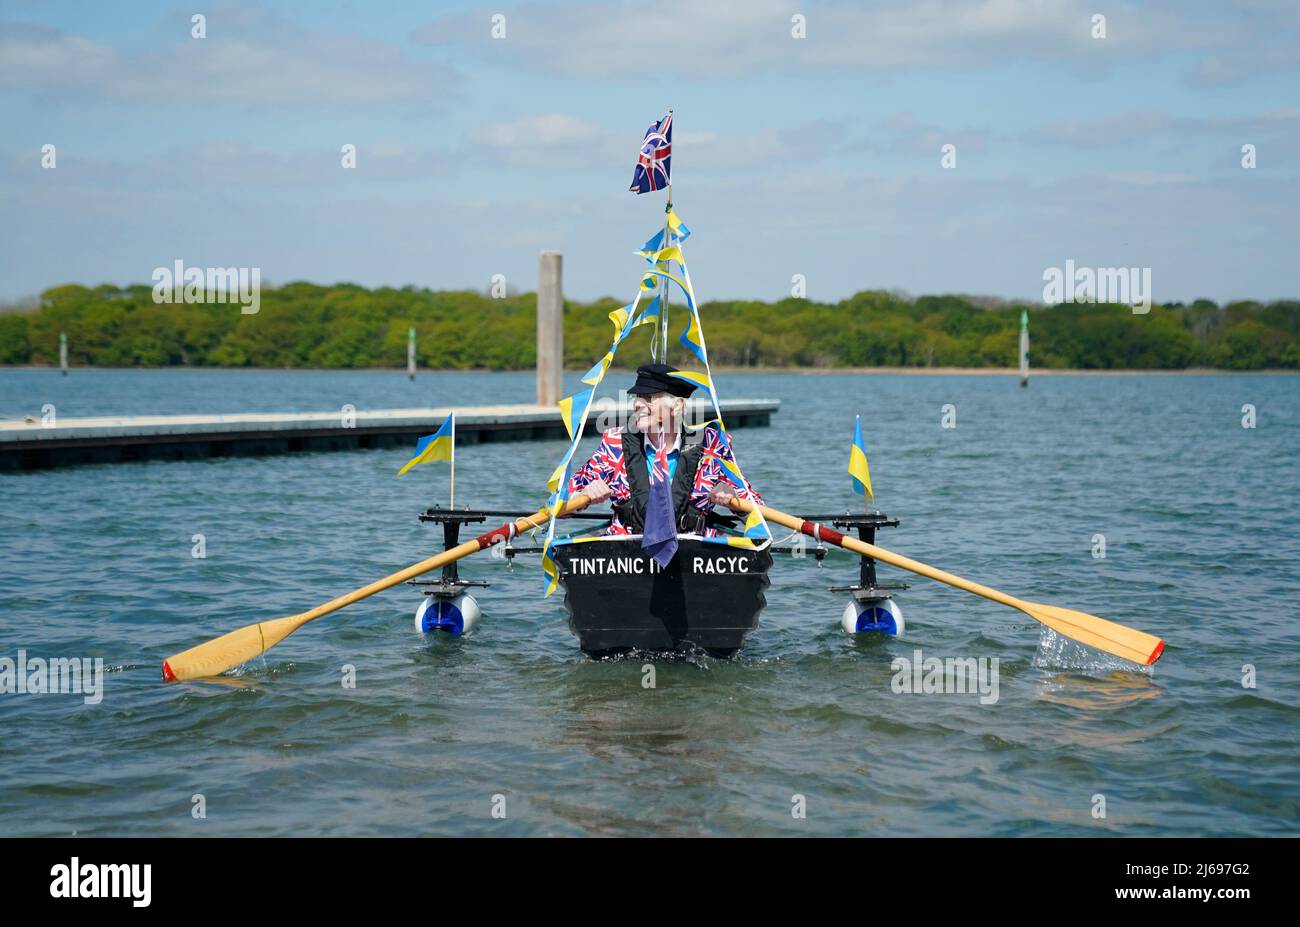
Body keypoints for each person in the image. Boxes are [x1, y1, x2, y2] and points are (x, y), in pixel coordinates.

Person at [567, 363, 762, 537]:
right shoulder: (614, 444)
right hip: (627, 548)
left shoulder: (711, 446)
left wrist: (733, 499)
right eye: (637, 397)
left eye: (649, 397)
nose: (636, 403)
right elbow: (562, 502)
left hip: (695, 550)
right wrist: (583, 495)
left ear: (677, 406)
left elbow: (757, 510)